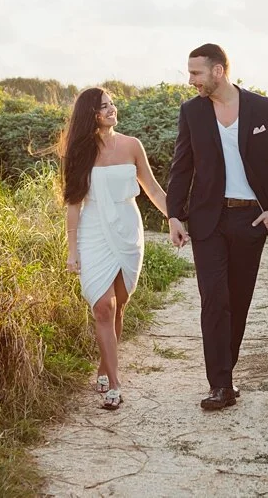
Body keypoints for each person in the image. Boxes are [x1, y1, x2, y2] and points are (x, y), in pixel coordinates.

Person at [166, 43, 268, 410]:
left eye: (196, 73)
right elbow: (182, 167)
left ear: (218, 71)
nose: (190, 80)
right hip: (208, 219)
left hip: (250, 220)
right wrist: (174, 215)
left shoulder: (263, 108)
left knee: (237, 301)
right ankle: (220, 385)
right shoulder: (192, 112)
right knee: (214, 300)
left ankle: (226, 374)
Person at [59, 86, 168, 410]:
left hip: (126, 228)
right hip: (93, 231)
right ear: (90, 115)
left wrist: (175, 220)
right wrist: (72, 250)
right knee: (102, 306)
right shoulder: (78, 152)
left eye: (112, 105)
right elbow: (73, 206)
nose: (112, 110)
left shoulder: (132, 146)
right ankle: (115, 385)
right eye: (104, 107)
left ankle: (105, 367)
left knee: (119, 304)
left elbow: (153, 189)